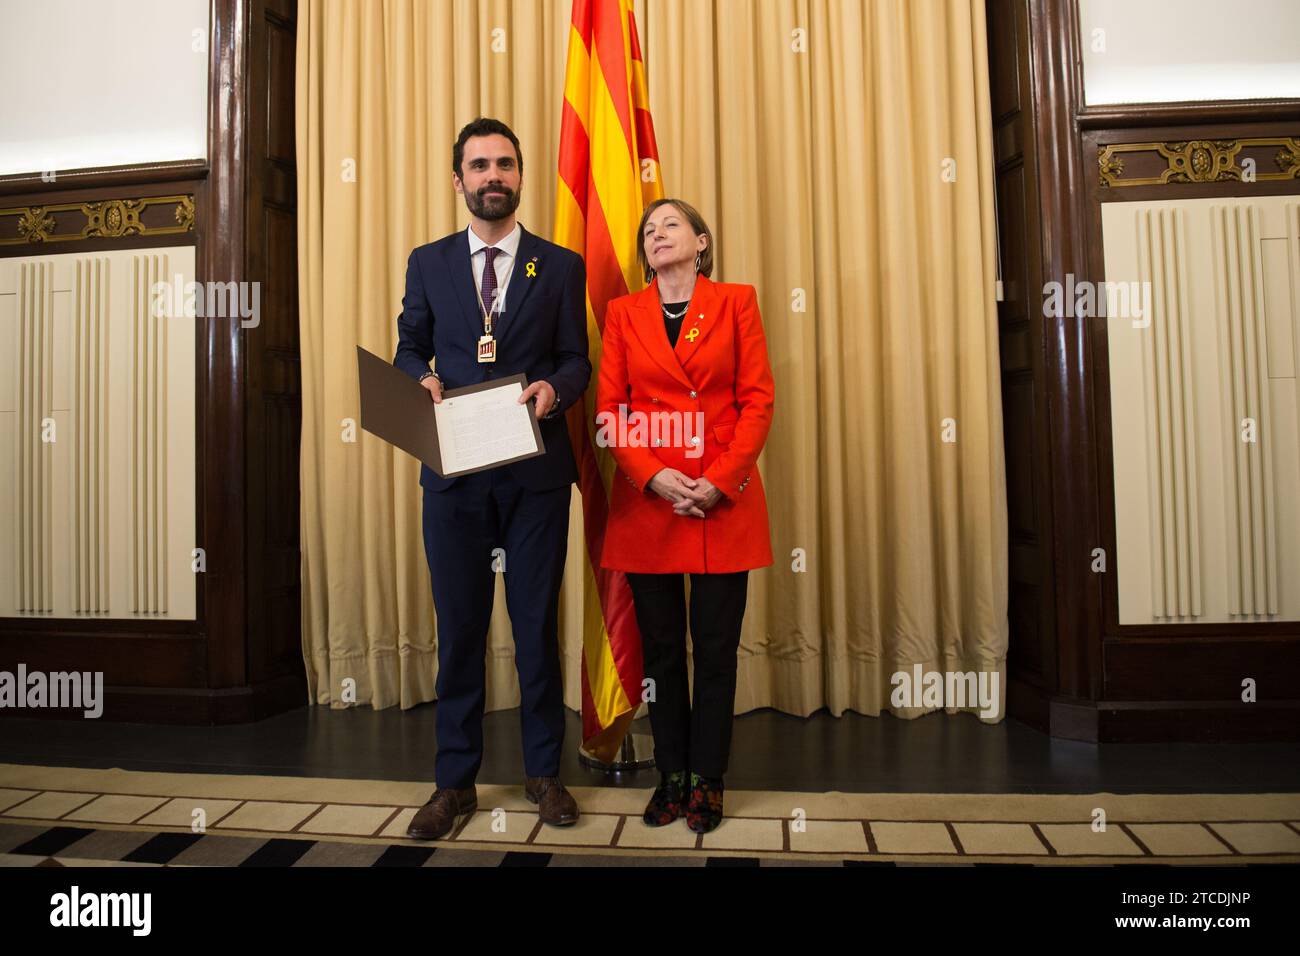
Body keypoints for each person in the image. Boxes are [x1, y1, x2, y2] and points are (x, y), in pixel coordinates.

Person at [393, 117, 591, 840]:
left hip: (535, 475)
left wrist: (554, 392)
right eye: (478, 166)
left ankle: (544, 774)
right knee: (462, 630)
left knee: (536, 627)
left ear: (520, 175)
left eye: (504, 163)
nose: (492, 176)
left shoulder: (559, 265)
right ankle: (455, 784)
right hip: (454, 479)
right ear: (458, 181)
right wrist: (420, 379)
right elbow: (408, 346)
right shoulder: (428, 261)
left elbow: (577, 359)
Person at [595, 198, 775, 833]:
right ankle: (670, 775)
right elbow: (611, 408)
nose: (656, 234)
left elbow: (758, 400)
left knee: (718, 650)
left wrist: (719, 481)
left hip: (722, 499)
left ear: (702, 241)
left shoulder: (736, 302)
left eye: (670, 224)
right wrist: (653, 475)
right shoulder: (624, 314)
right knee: (664, 652)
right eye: (649, 229)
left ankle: (708, 780)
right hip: (651, 502)